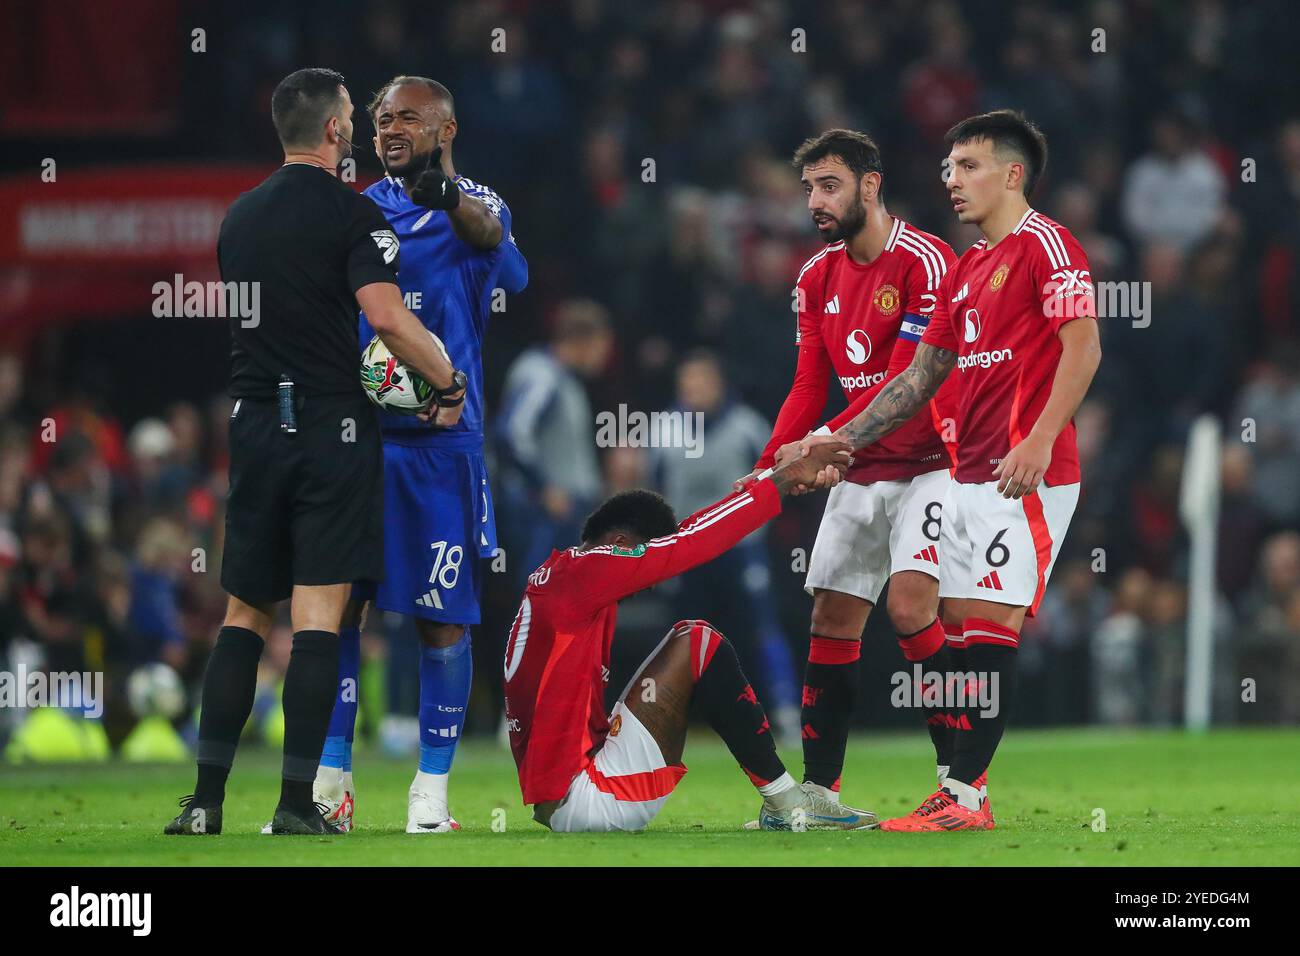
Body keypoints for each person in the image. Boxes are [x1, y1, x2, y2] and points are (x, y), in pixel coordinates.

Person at [165, 67, 464, 837]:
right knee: (319, 619)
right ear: (334, 130)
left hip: (256, 425)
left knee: (242, 615)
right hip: (331, 429)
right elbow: (387, 317)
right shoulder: (355, 218)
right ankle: (299, 804)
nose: (359, 134)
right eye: (351, 123)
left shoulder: (238, 217)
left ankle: (204, 803)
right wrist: (447, 379)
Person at [801, 110, 1101, 830]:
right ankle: (962, 791)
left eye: (967, 166)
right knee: (959, 626)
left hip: (1027, 471)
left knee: (991, 624)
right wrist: (837, 440)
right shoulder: (969, 268)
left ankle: (964, 798)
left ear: (1012, 173)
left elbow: (1083, 346)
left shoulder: (1048, 245)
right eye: (948, 168)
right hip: (970, 474)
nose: (952, 181)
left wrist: (1039, 439)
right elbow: (917, 380)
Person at [314, 75, 528, 834]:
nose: (390, 127)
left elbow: (495, 243)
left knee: (443, 620)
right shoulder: (356, 208)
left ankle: (429, 793)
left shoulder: (477, 202)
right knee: (340, 611)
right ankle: (330, 784)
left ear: (446, 127)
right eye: (380, 118)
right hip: (362, 442)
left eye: (408, 117)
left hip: (443, 444)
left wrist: (443, 194)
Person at [736, 129, 961, 811]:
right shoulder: (813, 278)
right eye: (808, 187)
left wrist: (824, 445)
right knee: (831, 618)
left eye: (828, 184)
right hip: (858, 466)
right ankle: (820, 793)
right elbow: (809, 386)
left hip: (933, 464)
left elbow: (907, 383)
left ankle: (960, 782)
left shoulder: (927, 261)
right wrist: (775, 459)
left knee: (909, 605)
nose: (814, 200)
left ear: (870, 184)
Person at [503, 441, 879, 832]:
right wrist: (781, 481)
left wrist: (764, 481)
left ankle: (785, 801)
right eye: (644, 556)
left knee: (688, 638)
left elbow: (685, 535)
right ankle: (787, 802)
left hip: (560, 799)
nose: (645, 586)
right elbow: (691, 543)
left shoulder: (558, 576)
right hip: (588, 799)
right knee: (697, 640)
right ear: (619, 546)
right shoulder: (592, 570)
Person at [648, 349, 802, 745]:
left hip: (741, 549)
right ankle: (666, 720)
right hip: (686, 550)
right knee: (679, 638)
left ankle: (784, 713)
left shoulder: (748, 427)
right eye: (687, 384)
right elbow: (654, 490)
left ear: (718, 384)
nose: (693, 391)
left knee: (760, 629)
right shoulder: (664, 429)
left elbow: (775, 482)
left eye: (700, 382)